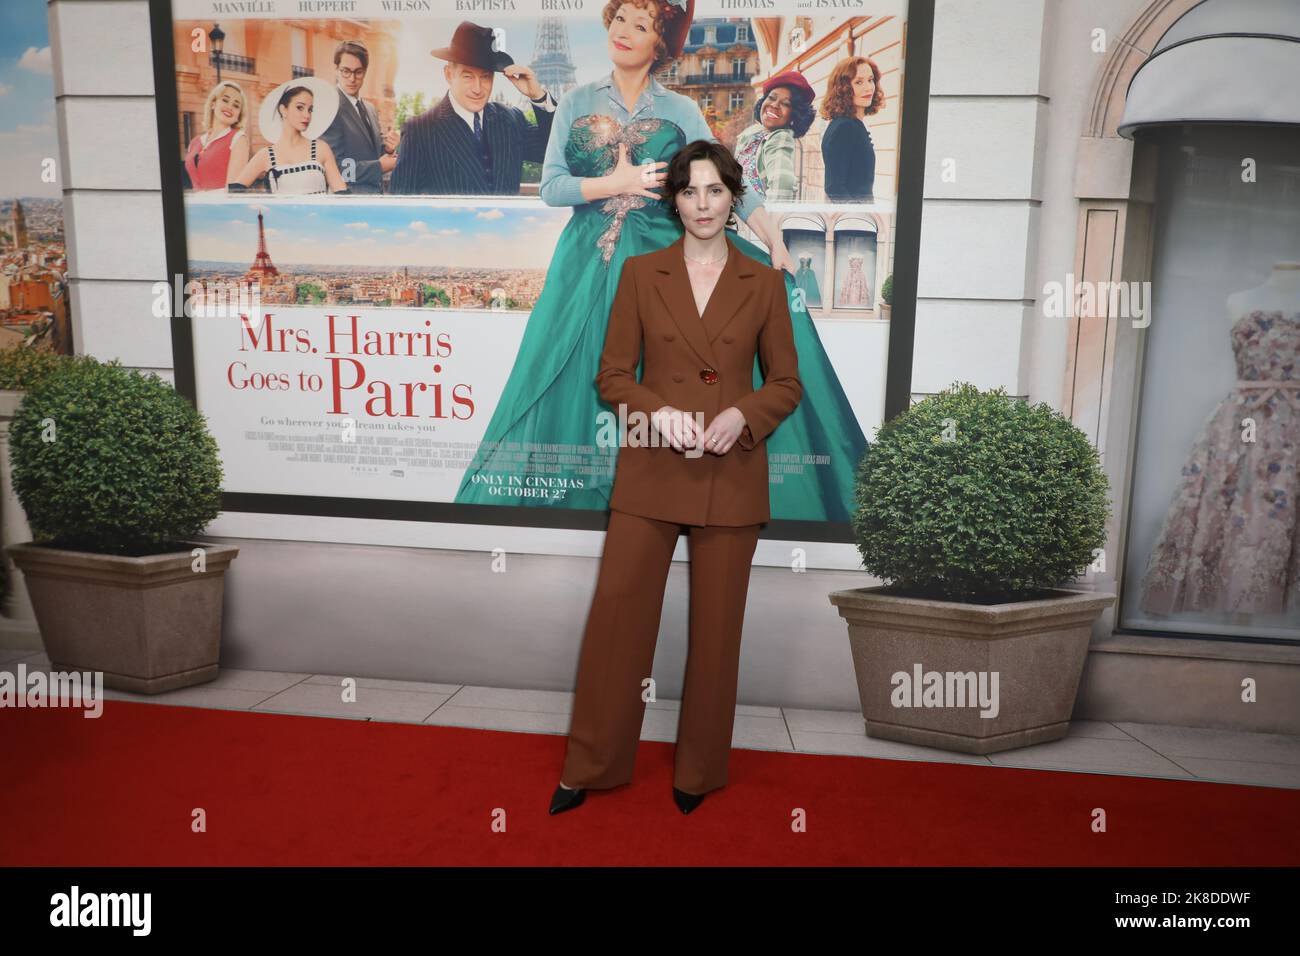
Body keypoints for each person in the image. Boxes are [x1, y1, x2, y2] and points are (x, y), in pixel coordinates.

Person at [453, 0, 867, 524]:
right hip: (586, 261)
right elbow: (553, 186)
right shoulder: (577, 100)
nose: (624, 32)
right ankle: (581, 496)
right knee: (567, 371)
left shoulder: (679, 110)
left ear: (660, 45)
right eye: (620, 19)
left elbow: (727, 181)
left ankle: (663, 493)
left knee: (665, 377)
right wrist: (615, 184)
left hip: (660, 259)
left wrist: (775, 240)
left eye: (641, 25)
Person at [550, 140, 801, 816]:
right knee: (616, 624)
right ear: (676, 200)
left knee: (717, 635)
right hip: (652, 469)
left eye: (715, 191)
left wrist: (744, 416)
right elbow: (611, 377)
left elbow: (785, 384)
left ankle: (698, 773)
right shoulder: (640, 274)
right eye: (689, 192)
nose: (702, 204)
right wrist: (657, 414)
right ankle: (591, 764)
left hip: (732, 471)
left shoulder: (764, 282)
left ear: (732, 197)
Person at [390, 21, 557, 195]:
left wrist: (538, 96)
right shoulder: (420, 130)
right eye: (468, 76)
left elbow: (558, 152)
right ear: (449, 74)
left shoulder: (511, 120)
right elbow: (401, 202)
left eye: (485, 77)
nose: (478, 89)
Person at [231, 77, 348, 195]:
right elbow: (234, 191)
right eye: (300, 108)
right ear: (283, 110)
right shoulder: (265, 155)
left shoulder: (321, 148)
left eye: (310, 109)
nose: (307, 115)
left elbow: (342, 195)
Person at [319, 40, 397, 194]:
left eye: (358, 72)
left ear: (365, 72)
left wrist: (387, 147)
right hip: (348, 203)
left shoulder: (370, 108)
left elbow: (371, 153)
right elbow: (334, 168)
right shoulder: (329, 109)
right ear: (336, 70)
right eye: (346, 71)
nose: (352, 78)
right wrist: (379, 167)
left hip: (375, 200)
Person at [733, 71, 816, 202]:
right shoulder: (752, 135)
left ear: (794, 115)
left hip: (756, 220)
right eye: (771, 97)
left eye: (786, 103)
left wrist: (768, 220)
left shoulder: (779, 138)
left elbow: (782, 186)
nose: (774, 105)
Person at [820, 55, 883, 202]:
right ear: (844, 88)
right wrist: (859, 219)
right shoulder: (845, 127)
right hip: (854, 221)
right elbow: (834, 188)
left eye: (870, 80)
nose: (868, 87)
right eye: (859, 82)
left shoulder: (851, 124)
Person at [183, 80, 249, 191]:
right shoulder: (195, 142)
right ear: (213, 104)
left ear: (239, 115)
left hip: (217, 207)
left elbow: (233, 192)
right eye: (225, 100)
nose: (230, 107)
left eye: (236, 105)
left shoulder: (238, 139)